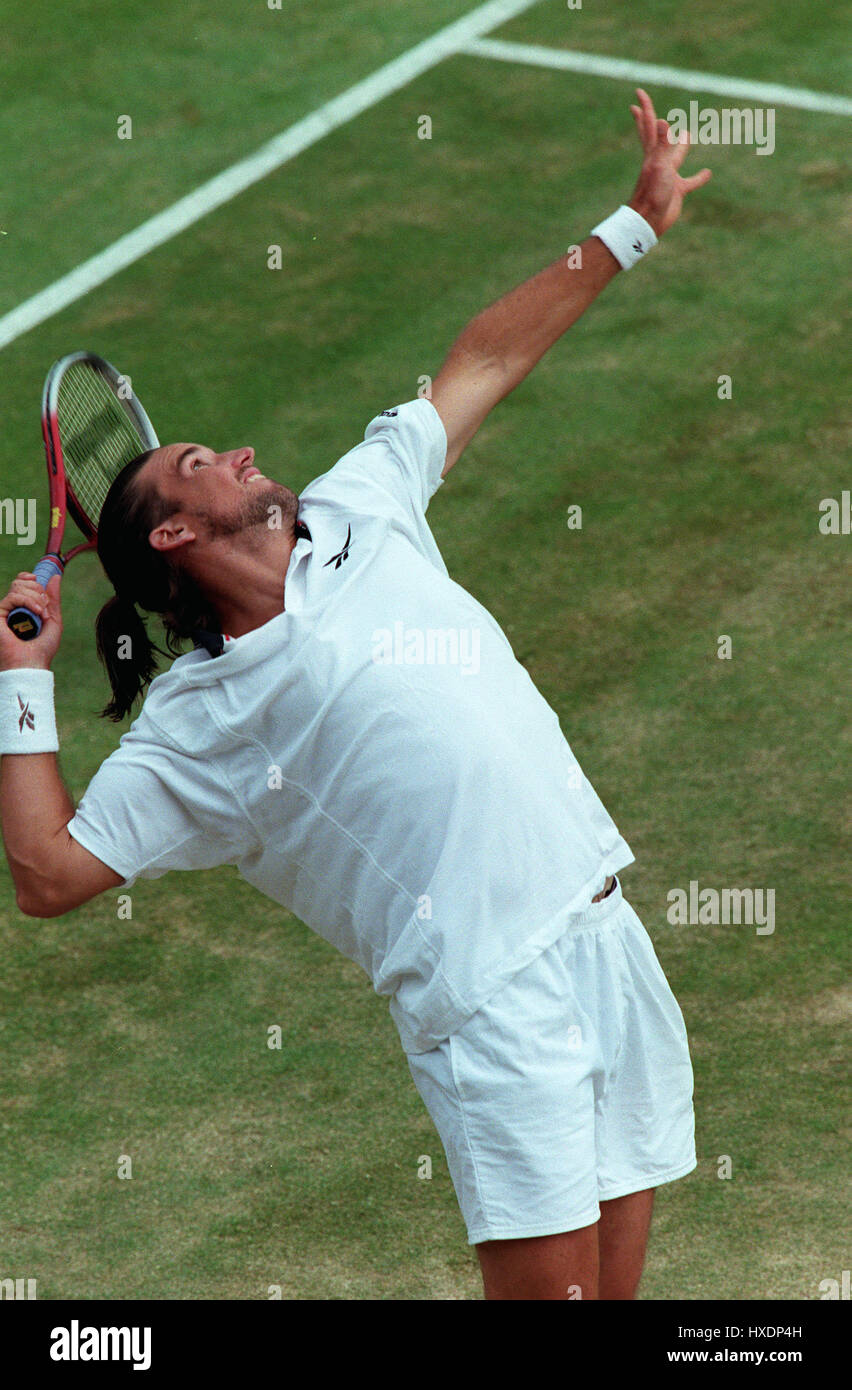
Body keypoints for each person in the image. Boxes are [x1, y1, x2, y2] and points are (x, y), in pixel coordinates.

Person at [0, 89, 711, 1299]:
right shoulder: (201, 722)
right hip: (491, 1002)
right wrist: (22, 682)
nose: (237, 452)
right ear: (172, 533)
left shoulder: (359, 503)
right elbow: (48, 874)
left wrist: (631, 223)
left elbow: (485, 357)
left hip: (603, 929)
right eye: (200, 463)